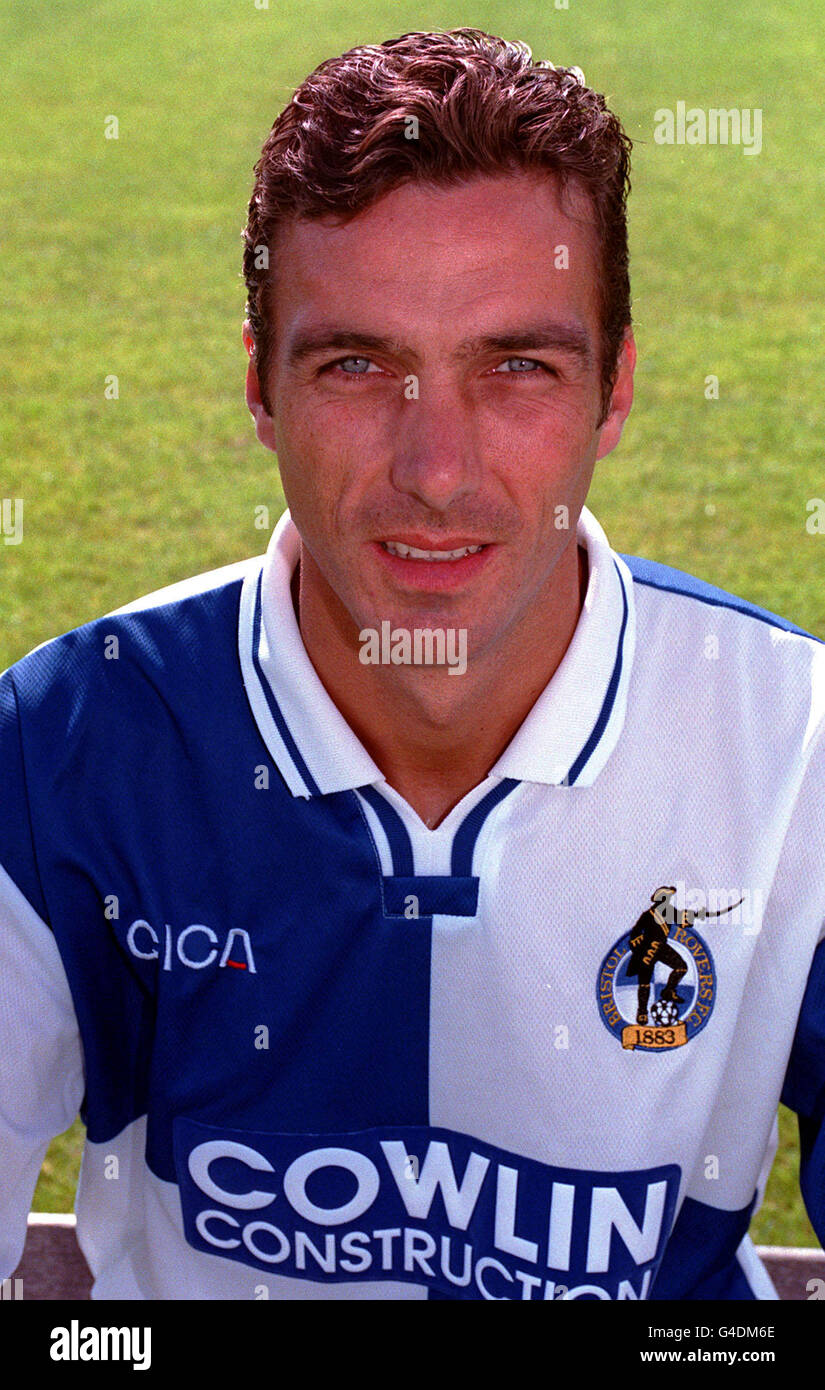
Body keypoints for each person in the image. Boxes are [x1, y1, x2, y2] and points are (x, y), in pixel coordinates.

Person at [1, 27, 823, 1303]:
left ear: (613, 393)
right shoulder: (67, 749)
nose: (436, 471)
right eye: (356, 365)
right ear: (260, 390)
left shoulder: (799, 749)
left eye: (515, 367)